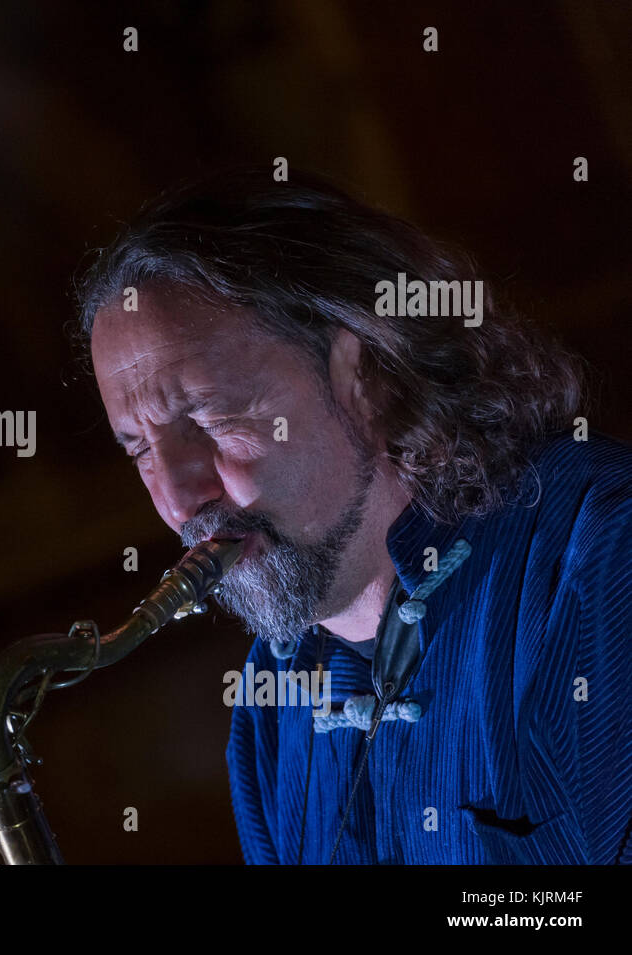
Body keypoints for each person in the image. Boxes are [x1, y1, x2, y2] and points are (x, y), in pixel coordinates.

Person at [73, 167, 632, 864]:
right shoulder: (271, 708)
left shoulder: (604, 553)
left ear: (361, 375)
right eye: (139, 451)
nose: (178, 501)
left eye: (207, 417)